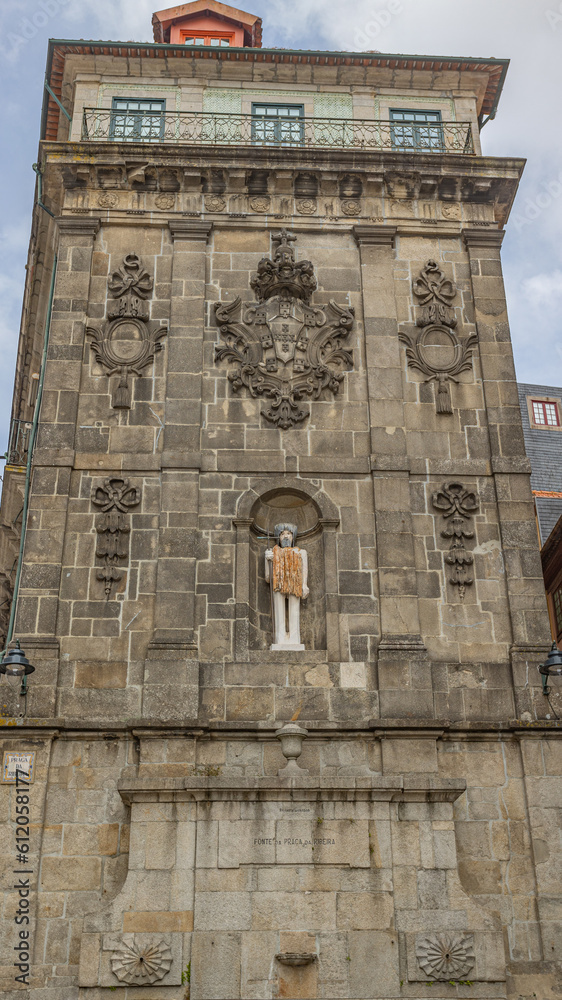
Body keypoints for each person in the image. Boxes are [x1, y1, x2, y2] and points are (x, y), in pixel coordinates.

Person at [265, 523, 309, 650]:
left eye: (288, 534)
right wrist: (268, 561)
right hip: (278, 584)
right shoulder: (271, 552)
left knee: (294, 611)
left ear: (293, 536)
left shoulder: (301, 552)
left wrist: (304, 585)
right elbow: (268, 578)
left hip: (295, 584)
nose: (285, 536)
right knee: (278, 612)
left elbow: (304, 570)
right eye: (282, 534)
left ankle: (294, 639)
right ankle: (280, 639)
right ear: (278, 537)